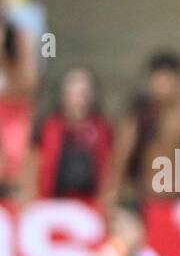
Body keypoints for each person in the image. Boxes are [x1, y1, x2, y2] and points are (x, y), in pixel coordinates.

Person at [107, 52, 180, 205]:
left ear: (178, 82)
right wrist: (110, 194)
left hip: (178, 196)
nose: (163, 87)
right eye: (159, 80)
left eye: (168, 81)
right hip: (143, 196)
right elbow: (121, 155)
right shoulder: (141, 109)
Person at [20, 66, 115, 203]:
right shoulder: (46, 127)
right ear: (62, 94)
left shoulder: (103, 129)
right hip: (50, 201)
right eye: (73, 91)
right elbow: (32, 166)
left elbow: (109, 170)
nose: (79, 97)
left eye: (84, 91)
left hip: (90, 203)